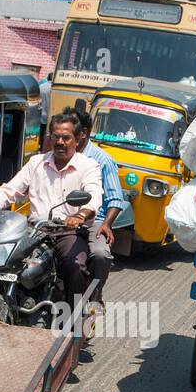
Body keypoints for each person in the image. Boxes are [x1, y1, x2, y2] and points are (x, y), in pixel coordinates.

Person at [0, 111, 102, 303]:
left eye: (66, 137)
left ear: (77, 139)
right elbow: (11, 189)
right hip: (33, 230)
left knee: (74, 265)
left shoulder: (89, 166)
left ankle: (74, 321)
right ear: (50, 137)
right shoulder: (37, 162)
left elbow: (94, 196)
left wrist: (80, 216)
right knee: (1, 260)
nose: (60, 142)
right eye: (56, 136)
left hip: (66, 232)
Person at [69, 106, 124, 300]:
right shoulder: (58, 156)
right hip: (61, 221)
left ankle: (93, 298)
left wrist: (106, 224)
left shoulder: (103, 160)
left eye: (71, 129)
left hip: (93, 222)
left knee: (100, 254)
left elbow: (116, 199)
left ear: (83, 133)